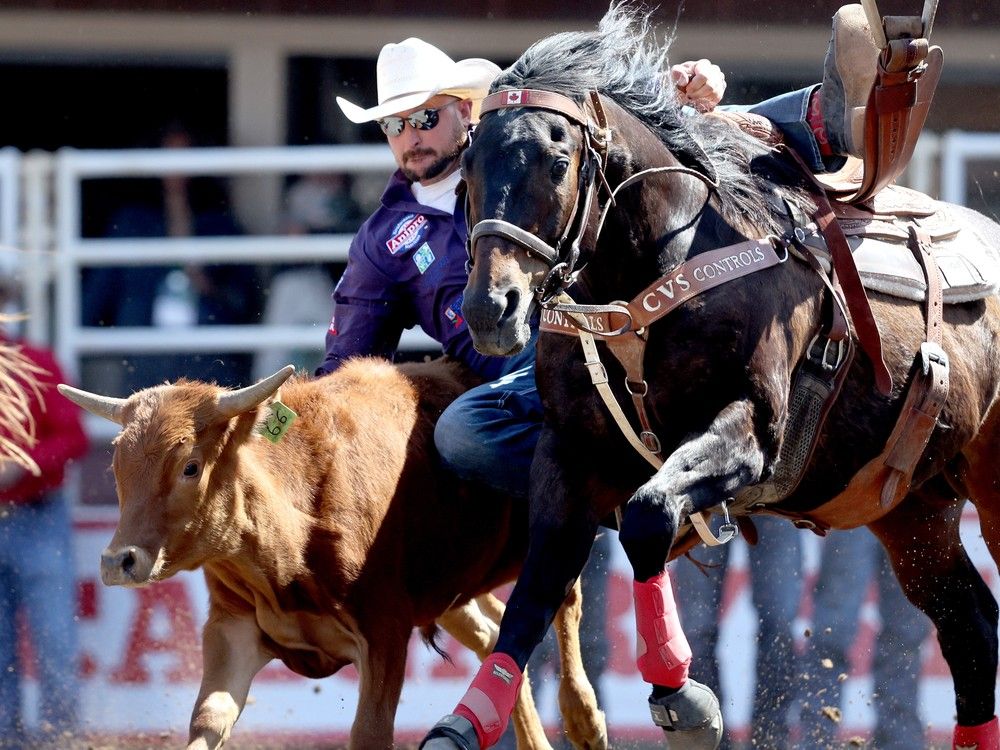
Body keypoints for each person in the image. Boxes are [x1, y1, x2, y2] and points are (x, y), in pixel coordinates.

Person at [322, 10, 883, 745]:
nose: (411, 137)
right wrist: (287, 430)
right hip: (544, 400)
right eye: (394, 125)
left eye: (425, 117)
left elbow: (634, 145)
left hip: (663, 361)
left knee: (766, 598)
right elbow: (342, 374)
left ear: (467, 112)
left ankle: (822, 117)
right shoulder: (382, 242)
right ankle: (623, 489)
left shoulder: (540, 145)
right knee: (474, 438)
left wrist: (681, 93)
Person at [81, 122, 262, 392]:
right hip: (146, 362)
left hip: (207, 364)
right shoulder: (131, 225)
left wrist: (210, 288)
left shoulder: (220, 224)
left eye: (185, 156)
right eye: (168, 155)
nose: (176, 168)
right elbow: (94, 304)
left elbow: (247, 302)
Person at [0, 335, 88, 749]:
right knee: (49, 644)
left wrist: (22, 463)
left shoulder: (35, 361)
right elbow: (73, 438)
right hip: (37, 515)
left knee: (55, 644)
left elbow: (74, 438)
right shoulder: (35, 360)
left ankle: (58, 740)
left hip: (36, 513)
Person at [672, 517, 804, 750]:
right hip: (703, 496)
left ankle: (771, 741)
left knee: (780, 625)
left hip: (773, 499)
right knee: (697, 630)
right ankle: (710, 739)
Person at [798, 527, 930, 750]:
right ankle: (815, 739)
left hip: (908, 506)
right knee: (833, 630)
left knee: (904, 636)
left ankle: (900, 742)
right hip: (859, 506)